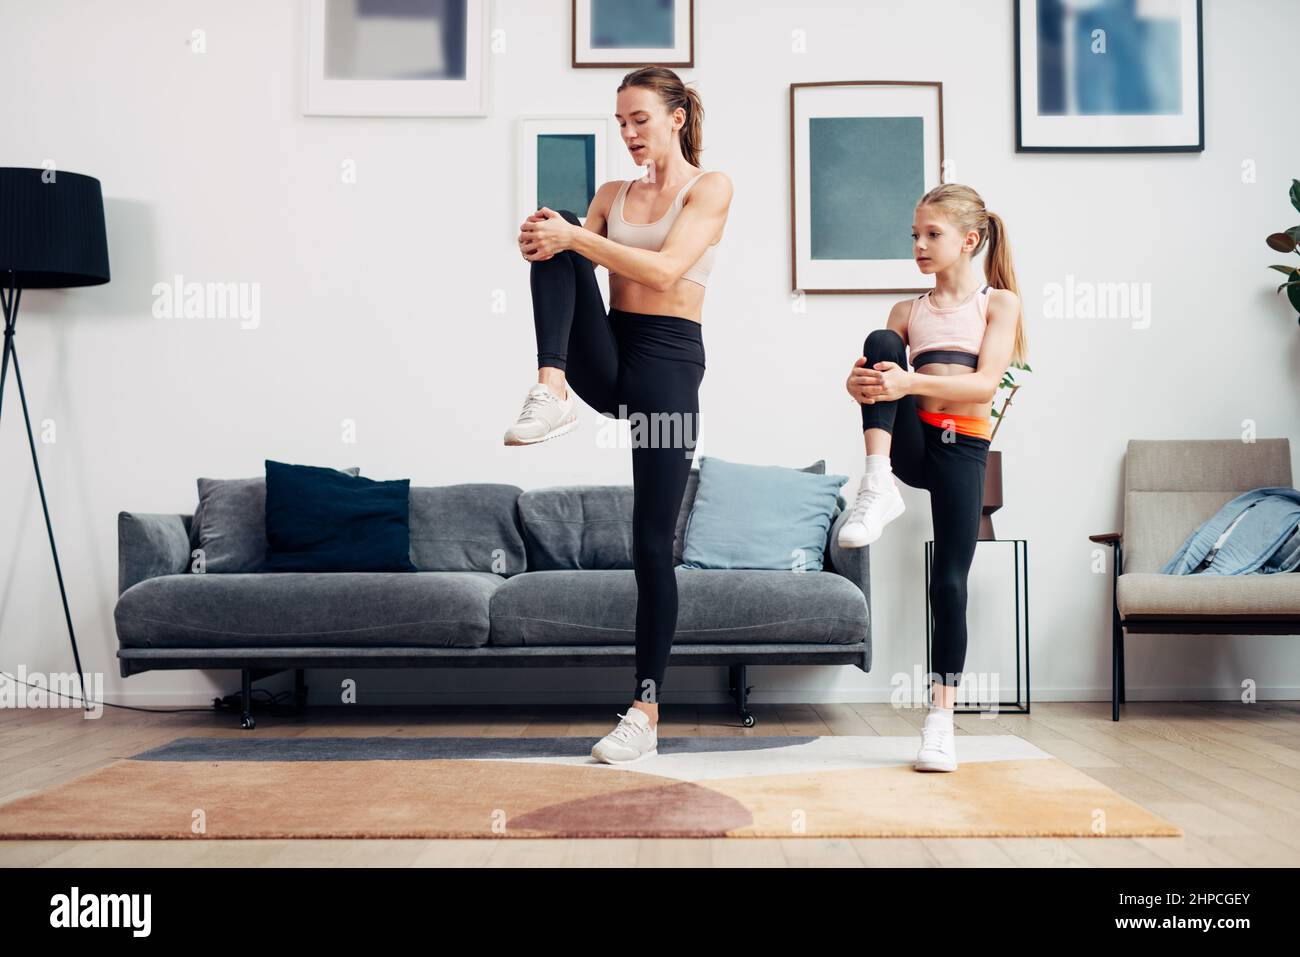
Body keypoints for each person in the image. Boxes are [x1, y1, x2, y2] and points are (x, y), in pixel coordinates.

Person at [508, 66, 733, 764]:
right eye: (621, 123)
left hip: (668, 368)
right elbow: (575, 263)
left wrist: (574, 240)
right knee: (555, 225)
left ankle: (644, 712)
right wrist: (545, 241)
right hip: (609, 356)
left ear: (675, 118)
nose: (630, 133)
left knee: (650, 545)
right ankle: (552, 390)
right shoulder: (611, 195)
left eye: (640, 119)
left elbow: (664, 271)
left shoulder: (710, 188)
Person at [840, 183, 1027, 772]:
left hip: (963, 450)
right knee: (880, 343)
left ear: (969, 240)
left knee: (948, 584)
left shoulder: (998, 304)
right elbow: (881, 382)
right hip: (915, 445)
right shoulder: (907, 312)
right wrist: (860, 384)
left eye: (932, 234)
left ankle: (940, 722)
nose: (919, 245)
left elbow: (985, 384)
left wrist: (907, 382)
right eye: (915, 235)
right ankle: (877, 485)